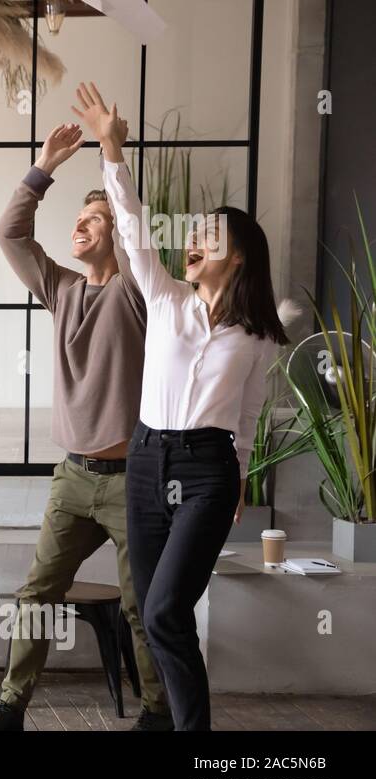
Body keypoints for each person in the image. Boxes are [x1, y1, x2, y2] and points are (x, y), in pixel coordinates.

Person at [74, 81, 288, 731]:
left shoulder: (258, 338)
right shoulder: (164, 299)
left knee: (166, 607)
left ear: (241, 255)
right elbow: (133, 223)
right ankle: (170, 720)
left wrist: (242, 475)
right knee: (152, 608)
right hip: (145, 458)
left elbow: (248, 418)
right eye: (191, 234)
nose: (192, 241)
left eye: (208, 236)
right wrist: (111, 144)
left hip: (207, 469)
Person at [0, 122, 171, 731]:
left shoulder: (138, 291)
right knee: (36, 596)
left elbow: (135, 233)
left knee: (141, 608)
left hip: (134, 479)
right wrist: (45, 165)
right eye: (79, 216)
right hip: (74, 479)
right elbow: (9, 231)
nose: (81, 225)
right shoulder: (59, 288)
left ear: (121, 236)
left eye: (96, 219)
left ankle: (158, 713)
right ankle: (11, 706)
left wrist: (113, 155)